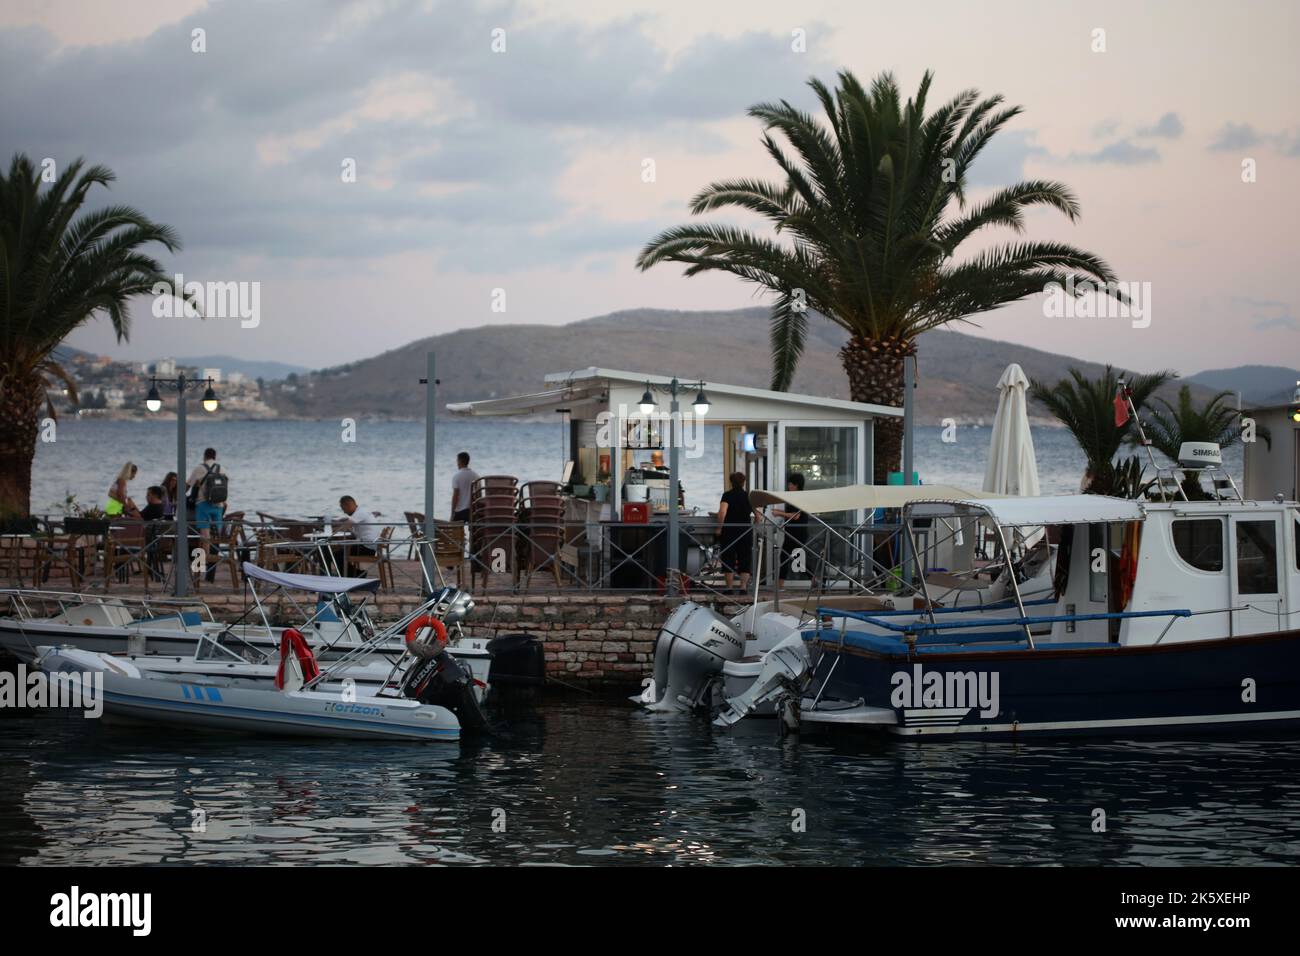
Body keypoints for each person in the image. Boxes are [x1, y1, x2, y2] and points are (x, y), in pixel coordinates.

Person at [716, 472, 759, 591]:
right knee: (745, 558)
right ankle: (743, 587)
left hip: (729, 530)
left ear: (731, 482)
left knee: (728, 557)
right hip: (745, 531)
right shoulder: (748, 496)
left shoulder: (727, 495)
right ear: (743, 482)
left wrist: (719, 528)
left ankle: (729, 588)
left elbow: (722, 512)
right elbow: (758, 516)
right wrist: (754, 525)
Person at [772, 471, 812, 589]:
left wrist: (779, 513)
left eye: (790, 484)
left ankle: (815, 579)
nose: (788, 487)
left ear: (796, 485)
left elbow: (796, 516)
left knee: (793, 559)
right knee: (790, 558)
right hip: (793, 533)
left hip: (797, 533)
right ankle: (815, 579)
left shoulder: (798, 498)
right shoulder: (796, 497)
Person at [186, 448, 228, 550]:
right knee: (215, 536)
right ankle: (214, 561)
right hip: (219, 505)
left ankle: (204, 562)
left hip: (203, 504)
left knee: (205, 537)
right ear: (215, 456)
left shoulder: (199, 468)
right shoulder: (222, 468)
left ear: (204, 456)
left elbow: (187, 486)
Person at [336, 495, 381, 575]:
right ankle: (355, 575)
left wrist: (332, 531)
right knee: (341, 550)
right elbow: (353, 530)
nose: (344, 512)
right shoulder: (362, 510)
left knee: (338, 554)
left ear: (348, 505)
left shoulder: (359, 512)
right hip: (371, 546)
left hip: (367, 548)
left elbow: (346, 526)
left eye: (344, 509)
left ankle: (347, 577)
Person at [450, 452, 478, 522]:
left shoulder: (457, 476)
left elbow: (455, 496)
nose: (457, 463)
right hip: (472, 511)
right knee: (473, 529)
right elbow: (478, 495)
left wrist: (452, 513)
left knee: (454, 529)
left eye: (457, 461)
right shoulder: (476, 476)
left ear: (459, 461)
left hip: (460, 511)